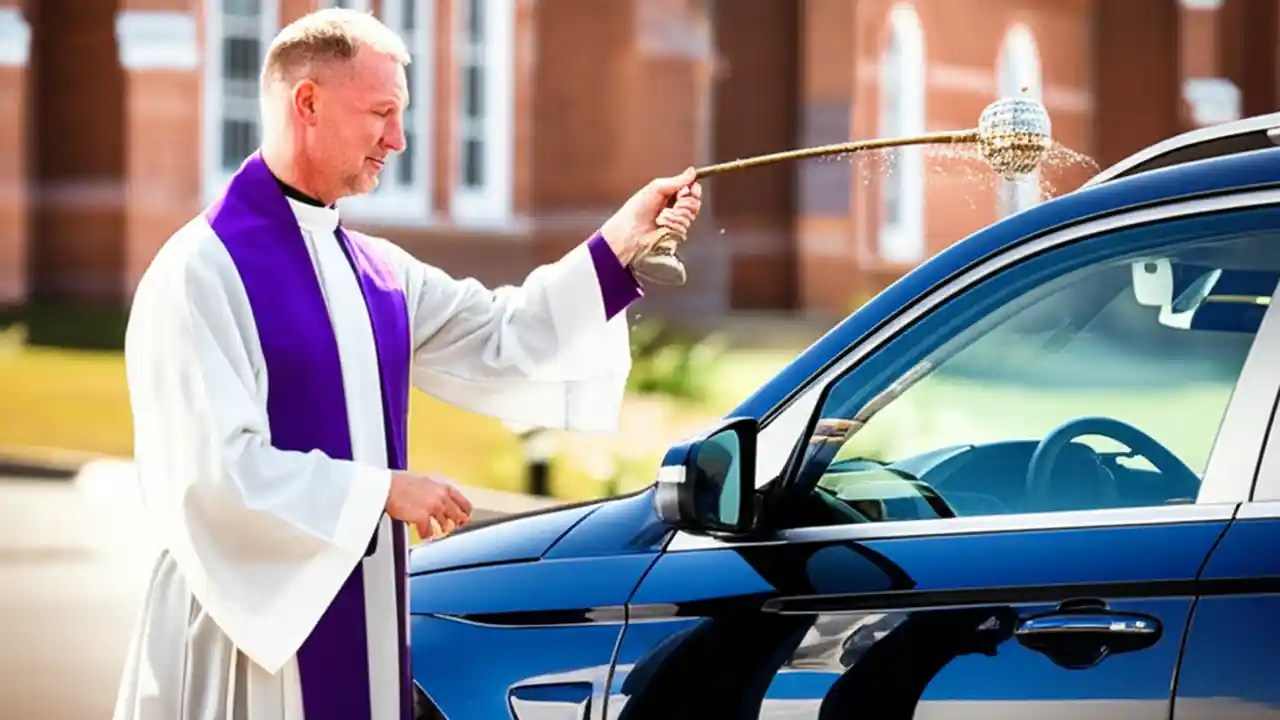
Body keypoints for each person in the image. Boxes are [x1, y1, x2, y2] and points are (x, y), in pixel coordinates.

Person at [111, 8, 702, 720]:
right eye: (382, 113)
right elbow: (211, 475)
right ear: (308, 103)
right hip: (245, 638)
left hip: (360, 608)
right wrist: (380, 492)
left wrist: (620, 240)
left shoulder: (374, 271)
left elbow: (504, 333)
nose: (398, 139)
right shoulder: (202, 272)